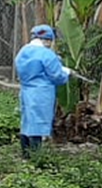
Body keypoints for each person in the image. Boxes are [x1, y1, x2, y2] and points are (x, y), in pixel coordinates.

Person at [14, 24, 73, 157]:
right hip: (42, 93)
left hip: (26, 91)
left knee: (27, 121)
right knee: (38, 123)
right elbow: (57, 76)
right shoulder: (47, 54)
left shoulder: (23, 51)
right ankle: (36, 155)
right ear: (47, 39)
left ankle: (25, 154)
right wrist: (66, 73)